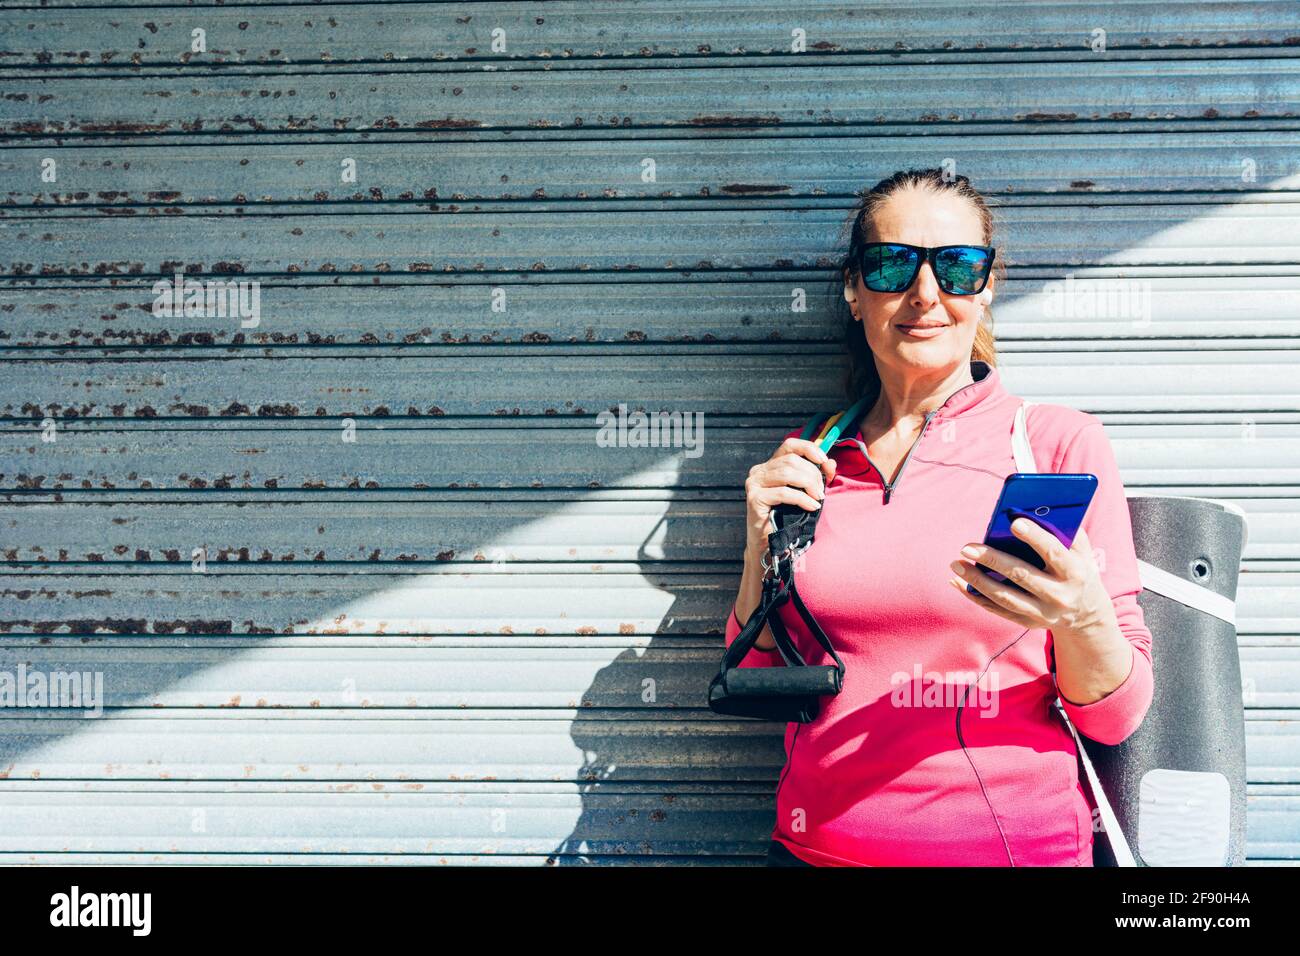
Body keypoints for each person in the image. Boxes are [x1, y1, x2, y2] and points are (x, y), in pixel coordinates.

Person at [727, 168, 1154, 867]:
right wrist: (757, 547)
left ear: (987, 287)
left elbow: (1116, 716)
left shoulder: (1052, 446)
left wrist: (1080, 618)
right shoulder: (812, 454)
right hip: (811, 854)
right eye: (893, 264)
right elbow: (762, 673)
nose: (926, 294)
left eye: (957, 267)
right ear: (854, 290)